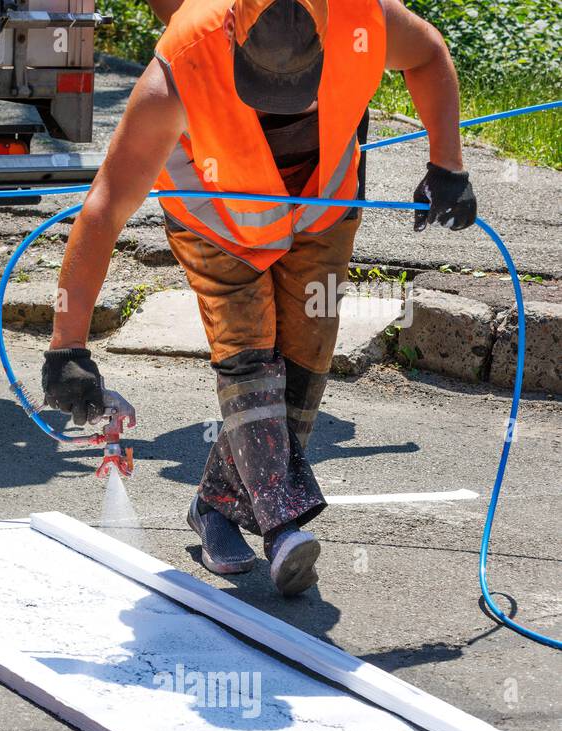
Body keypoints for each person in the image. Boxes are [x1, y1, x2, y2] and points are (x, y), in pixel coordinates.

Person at [41, 0, 476, 595]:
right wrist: (67, 348)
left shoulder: (365, 18)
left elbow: (428, 55)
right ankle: (283, 527)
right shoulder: (183, 61)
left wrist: (448, 163)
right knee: (250, 361)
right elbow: (105, 206)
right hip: (216, 213)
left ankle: (215, 507)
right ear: (234, 34)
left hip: (321, 201)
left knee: (302, 371)